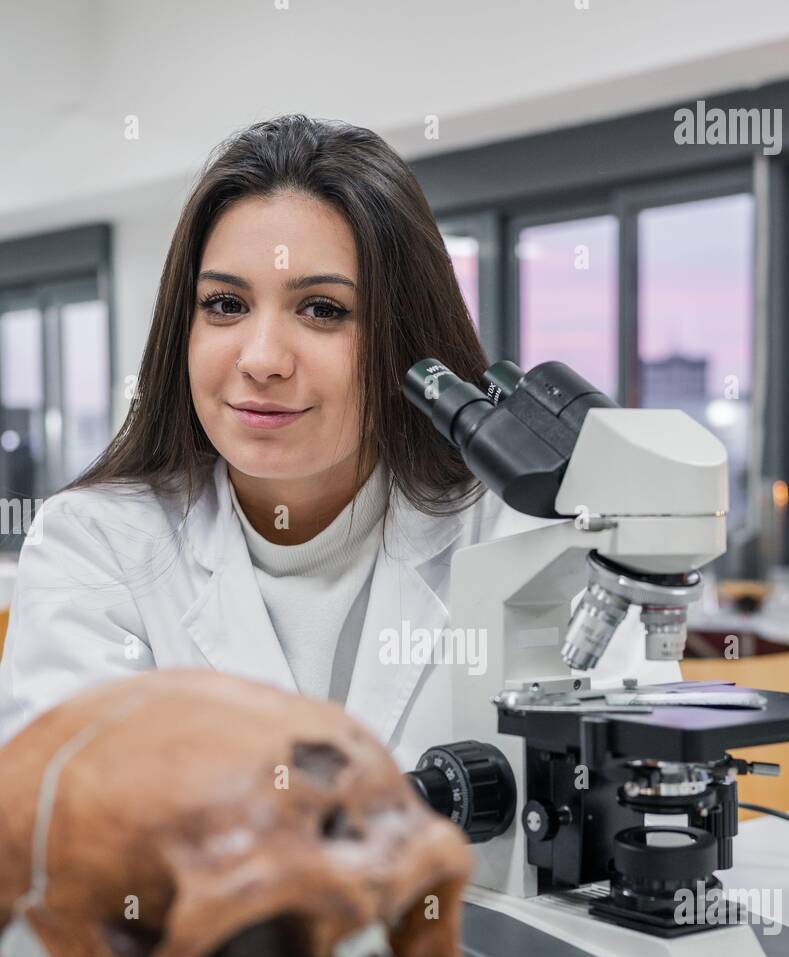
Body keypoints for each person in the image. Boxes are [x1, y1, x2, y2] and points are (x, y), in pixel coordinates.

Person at [0, 113, 678, 769]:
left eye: (323, 310)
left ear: (406, 345)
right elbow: (61, 828)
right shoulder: (98, 542)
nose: (262, 358)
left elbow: (639, 774)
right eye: (225, 305)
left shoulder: (513, 529)